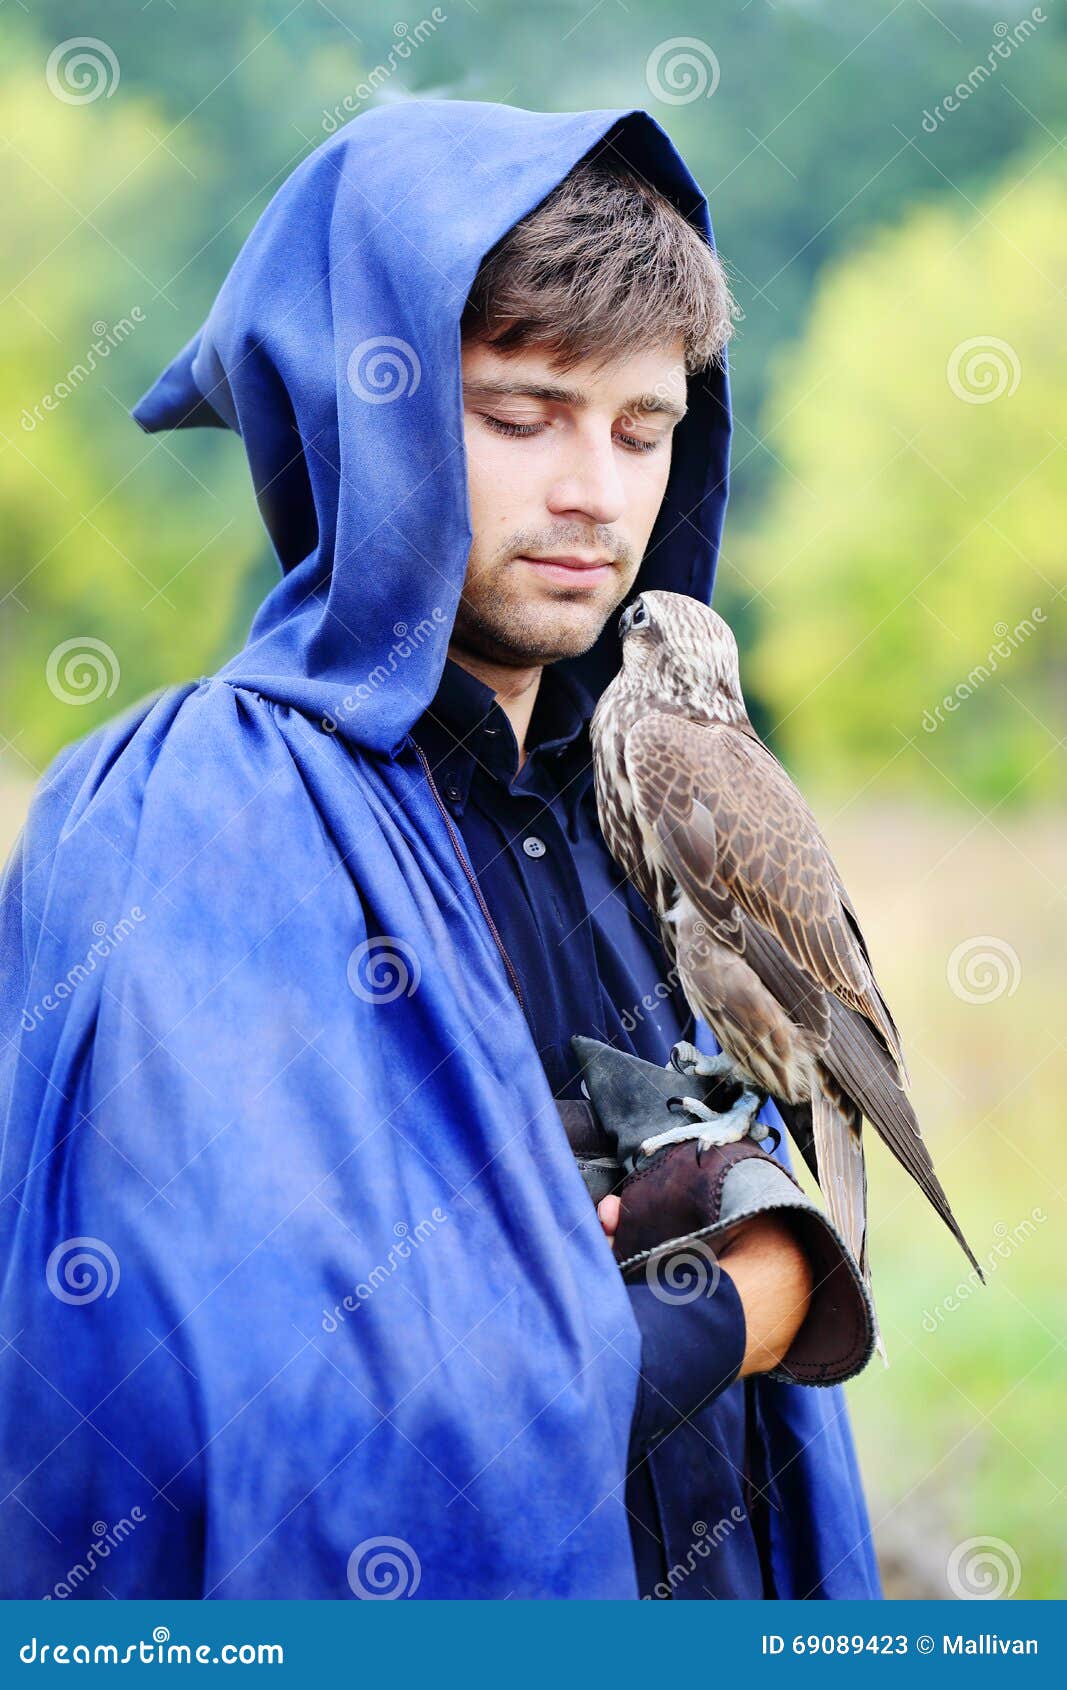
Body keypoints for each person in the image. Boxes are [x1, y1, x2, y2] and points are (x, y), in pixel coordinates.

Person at [0, 100, 879, 1600]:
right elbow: (265, 1430)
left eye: (643, 428)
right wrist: (749, 1304)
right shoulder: (180, 826)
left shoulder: (657, 806)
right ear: (369, 411)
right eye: (521, 413)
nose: (596, 494)